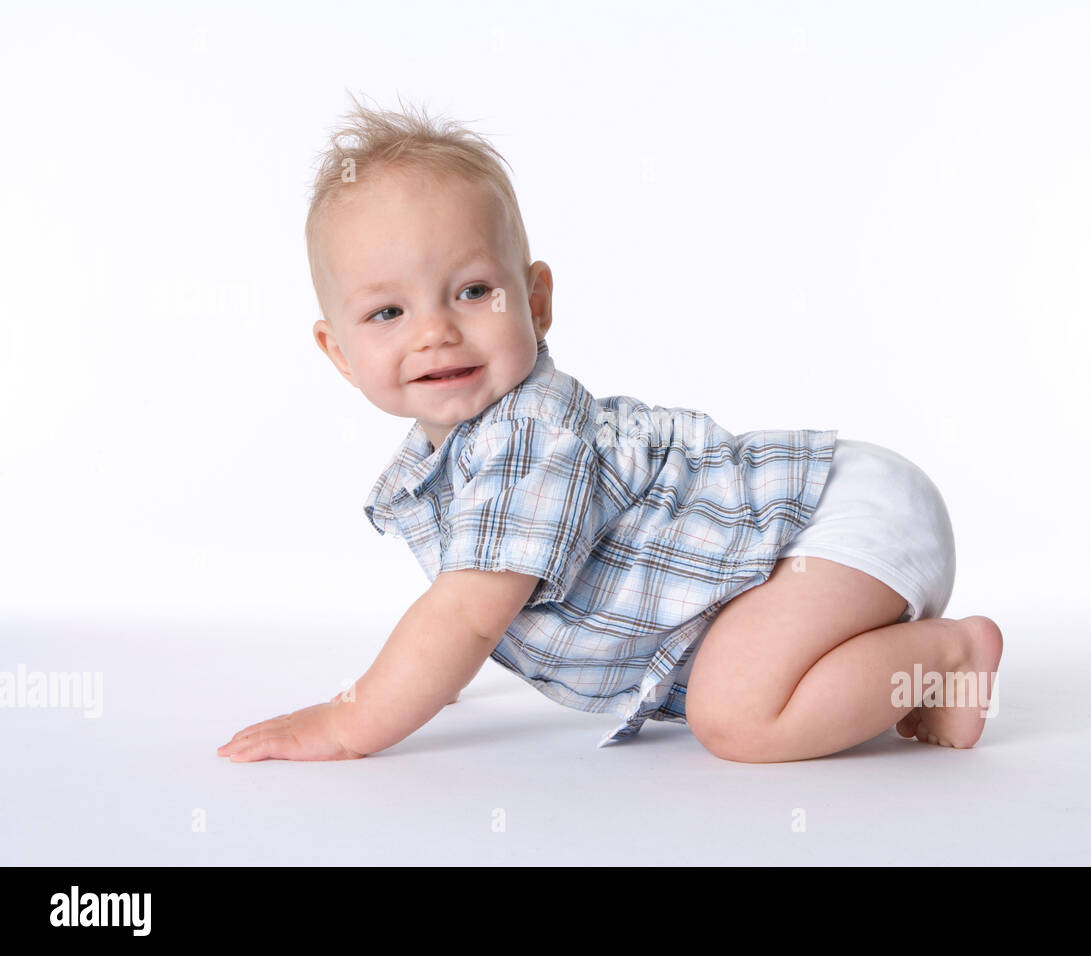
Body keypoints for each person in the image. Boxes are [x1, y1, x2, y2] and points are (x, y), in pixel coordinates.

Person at [217, 96, 1003, 764]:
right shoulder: (447, 458)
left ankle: (951, 656)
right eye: (389, 312)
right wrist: (443, 675)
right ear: (340, 353)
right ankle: (893, 673)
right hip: (816, 531)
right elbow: (465, 605)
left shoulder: (531, 440)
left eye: (472, 291)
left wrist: (352, 719)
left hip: (838, 518)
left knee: (735, 714)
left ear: (536, 301)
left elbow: (466, 612)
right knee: (744, 679)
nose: (435, 333)